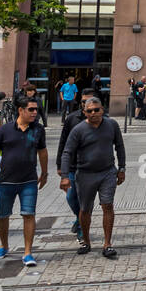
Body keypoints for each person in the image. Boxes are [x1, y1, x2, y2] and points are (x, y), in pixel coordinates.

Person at [0, 99, 48, 266]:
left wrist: (45, 173)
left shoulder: (38, 129)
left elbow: (42, 152)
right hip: (5, 181)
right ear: (20, 110)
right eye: (31, 109)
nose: (34, 113)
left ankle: (27, 252)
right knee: (2, 216)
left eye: (36, 110)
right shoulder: (6, 129)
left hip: (29, 180)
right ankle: (4, 246)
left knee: (29, 214)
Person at [60, 96, 125, 257]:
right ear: (84, 112)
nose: (94, 113)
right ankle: (86, 241)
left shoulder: (112, 125)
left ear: (103, 110)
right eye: (90, 111)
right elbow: (67, 152)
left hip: (107, 172)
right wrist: (64, 175)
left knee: (107, 205)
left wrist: (122, 168)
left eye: (97, 110)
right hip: (85, 174)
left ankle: (107, 244)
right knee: (85, 209)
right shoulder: (78, 130)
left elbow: (120, 146)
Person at [55, 98, 89, 238]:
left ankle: (82, 225)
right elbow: (63, 141)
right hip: (72, 165)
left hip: (88, 167)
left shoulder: (102, 120)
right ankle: (79, 218)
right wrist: (59, 164)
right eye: (84, 101)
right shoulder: (72, 118)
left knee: (84, 199)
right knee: (70, 196)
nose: (86, 104)